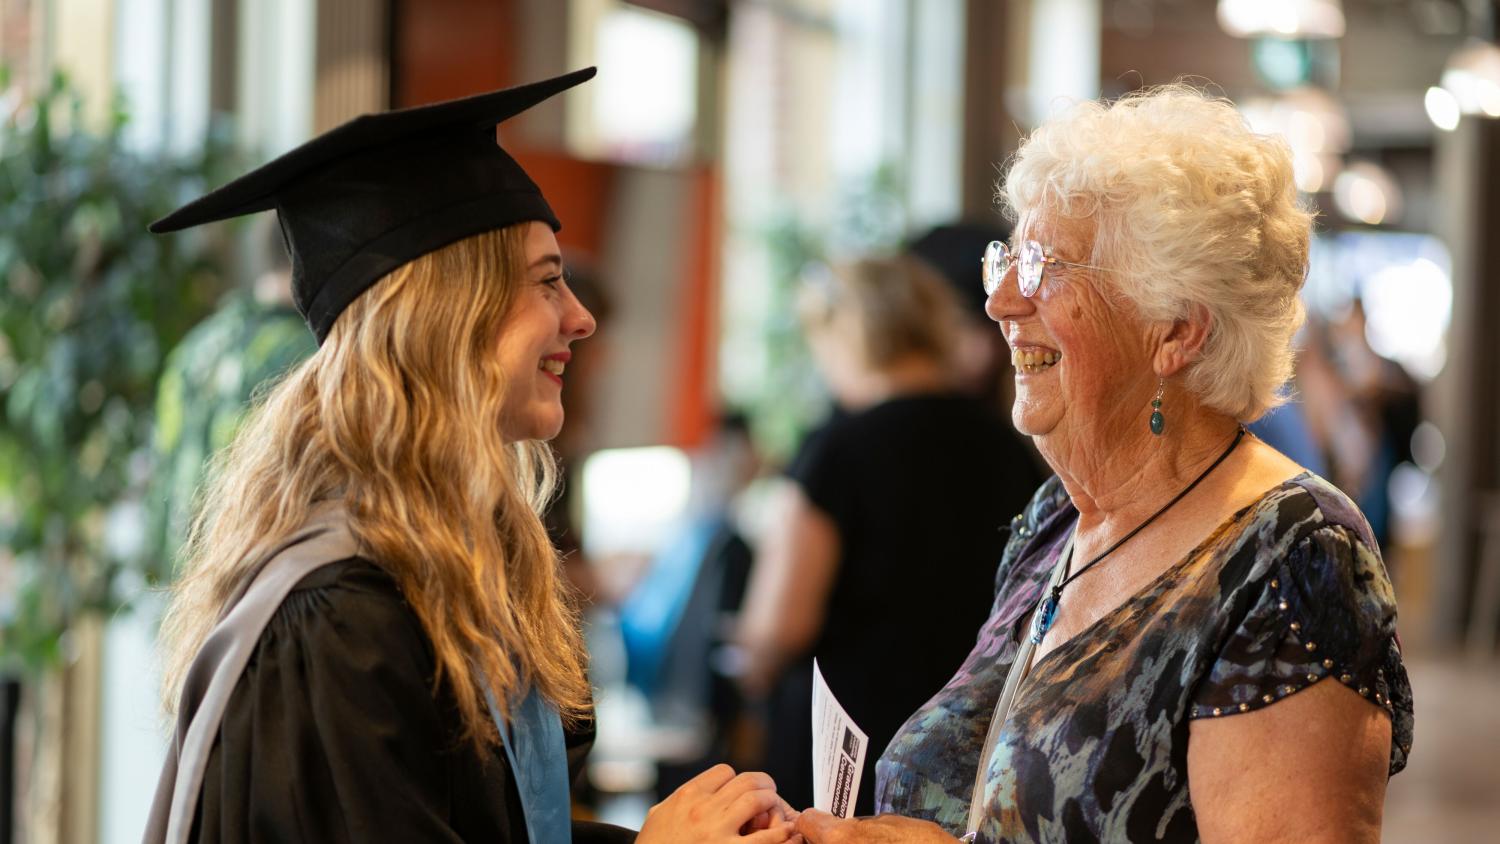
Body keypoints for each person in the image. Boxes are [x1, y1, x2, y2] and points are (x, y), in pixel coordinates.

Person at [142, 68, 795, 843]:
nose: (581, 319)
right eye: (548, 283)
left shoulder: (440, 568)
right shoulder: (340, 618)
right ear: (450, 318)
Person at [795, 85, 1414, 844]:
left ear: (1176, 331)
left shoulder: (1292, 560)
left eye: (1045, 265)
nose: (1002, 304)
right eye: (1008, 260)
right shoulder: (1058, 521)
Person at [737, 256, 1044, 817]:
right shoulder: (1009, 445)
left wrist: (748, 663)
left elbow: (782, 624)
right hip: (971, 746)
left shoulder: (838, 449)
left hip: (848, 753)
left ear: (843, 335)